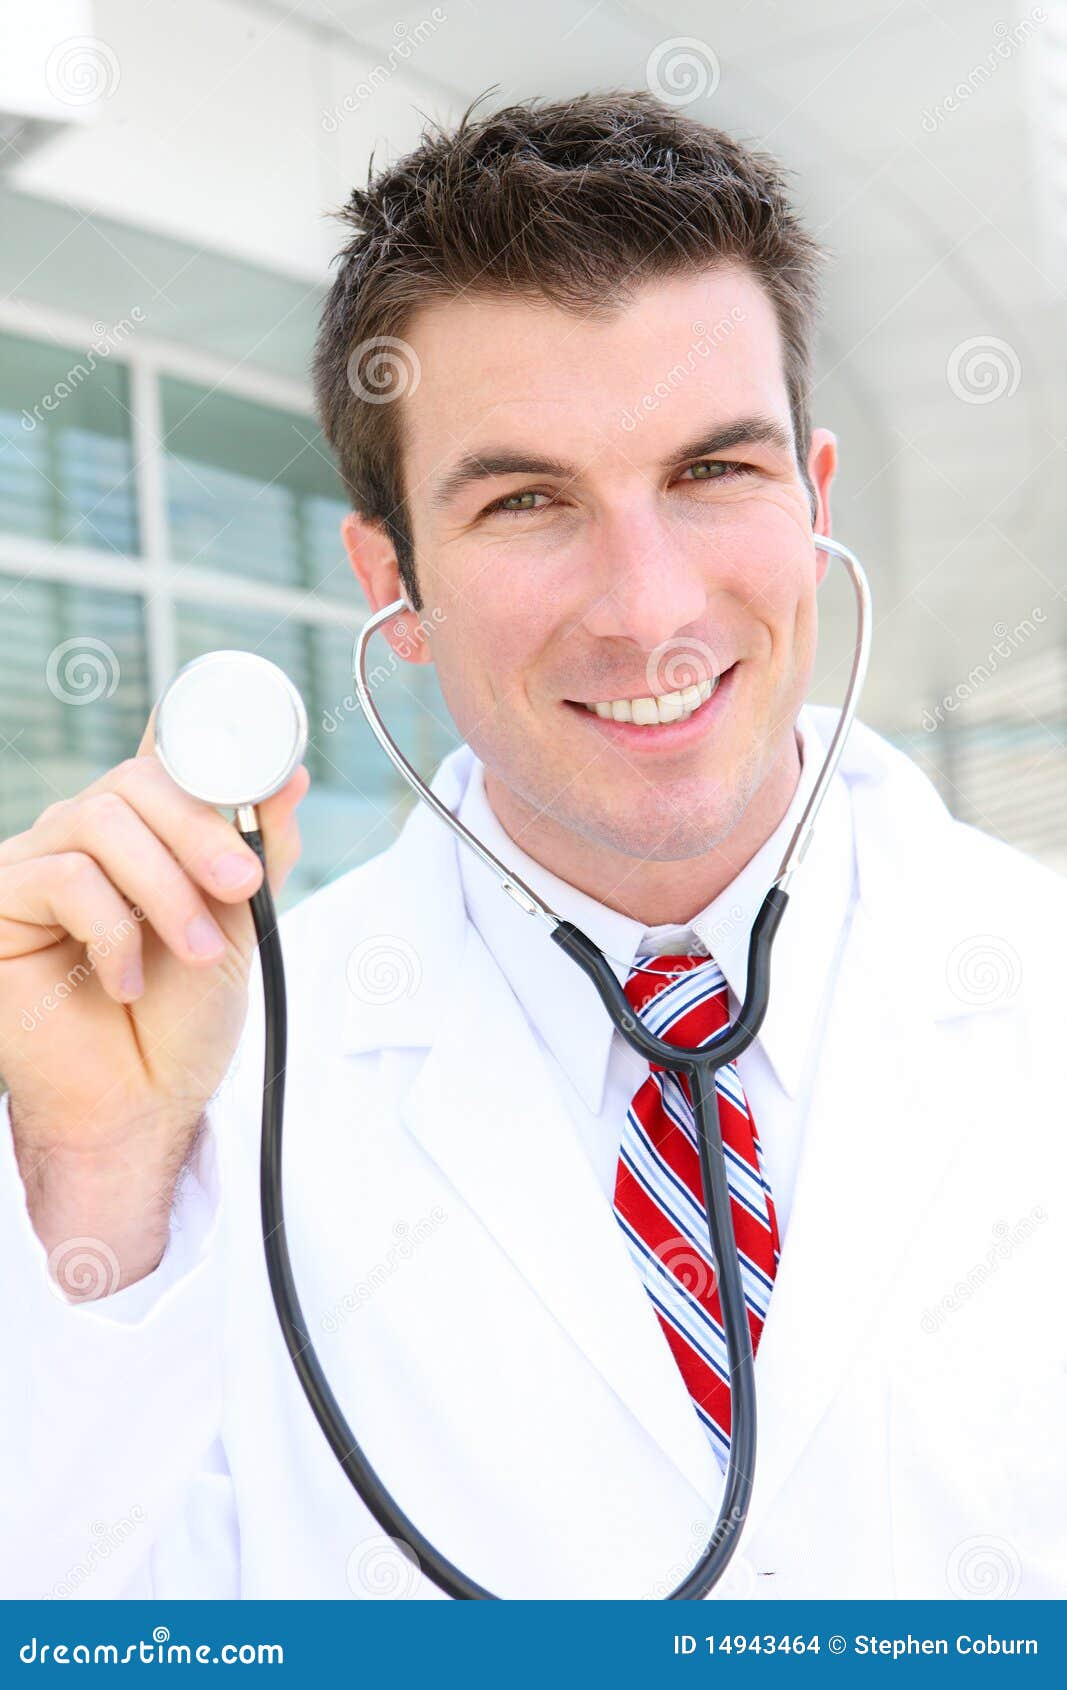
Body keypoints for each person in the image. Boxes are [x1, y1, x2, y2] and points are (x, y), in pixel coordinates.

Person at [0, 91, 1063, 1603]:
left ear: (815, 499)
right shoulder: (204, 1105)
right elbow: (90, 1631)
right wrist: (101, 1174)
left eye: (713, 472)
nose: (647, 606)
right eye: (526, 500)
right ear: (395, 582)